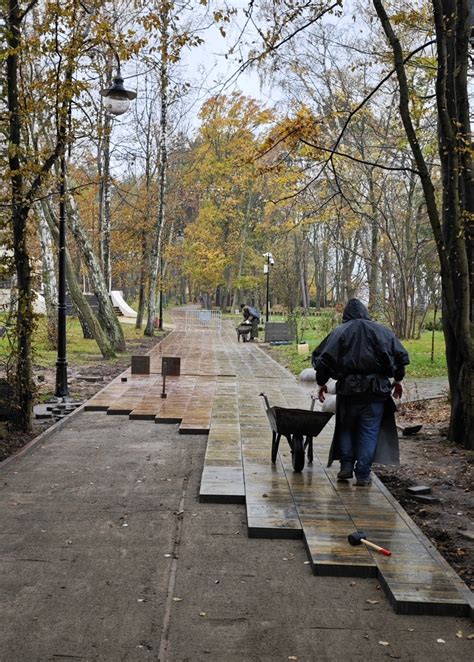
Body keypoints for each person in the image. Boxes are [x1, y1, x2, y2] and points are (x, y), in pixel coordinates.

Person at [312, 299, 409, 486]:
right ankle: (363, 474)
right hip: (376, 391)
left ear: (345, 314)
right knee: (369, 430)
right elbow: (400, 358)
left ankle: (346, 466)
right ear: (365, 312)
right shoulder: (383, 332)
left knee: (346, 427)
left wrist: (321, 383)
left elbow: (322, 361)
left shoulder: (339, 332)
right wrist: (398, 380)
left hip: (348, 391)